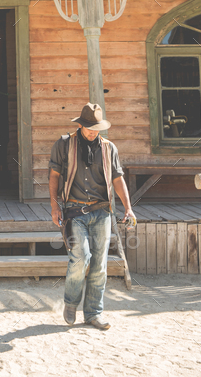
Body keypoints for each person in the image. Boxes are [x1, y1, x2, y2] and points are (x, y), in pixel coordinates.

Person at [48, 102, 136, 331]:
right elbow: (54, 175)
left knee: (100, 265)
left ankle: (93, 314)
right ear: (80, 124)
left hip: (102, 212)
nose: (92, 131)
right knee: (81, 257)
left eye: (96, 127)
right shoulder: (64, 144)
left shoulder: (109, 148)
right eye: (88, 126)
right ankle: (70, 303)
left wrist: (128, 208)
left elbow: (118, 178)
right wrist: (55, 206)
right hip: (75, 211)